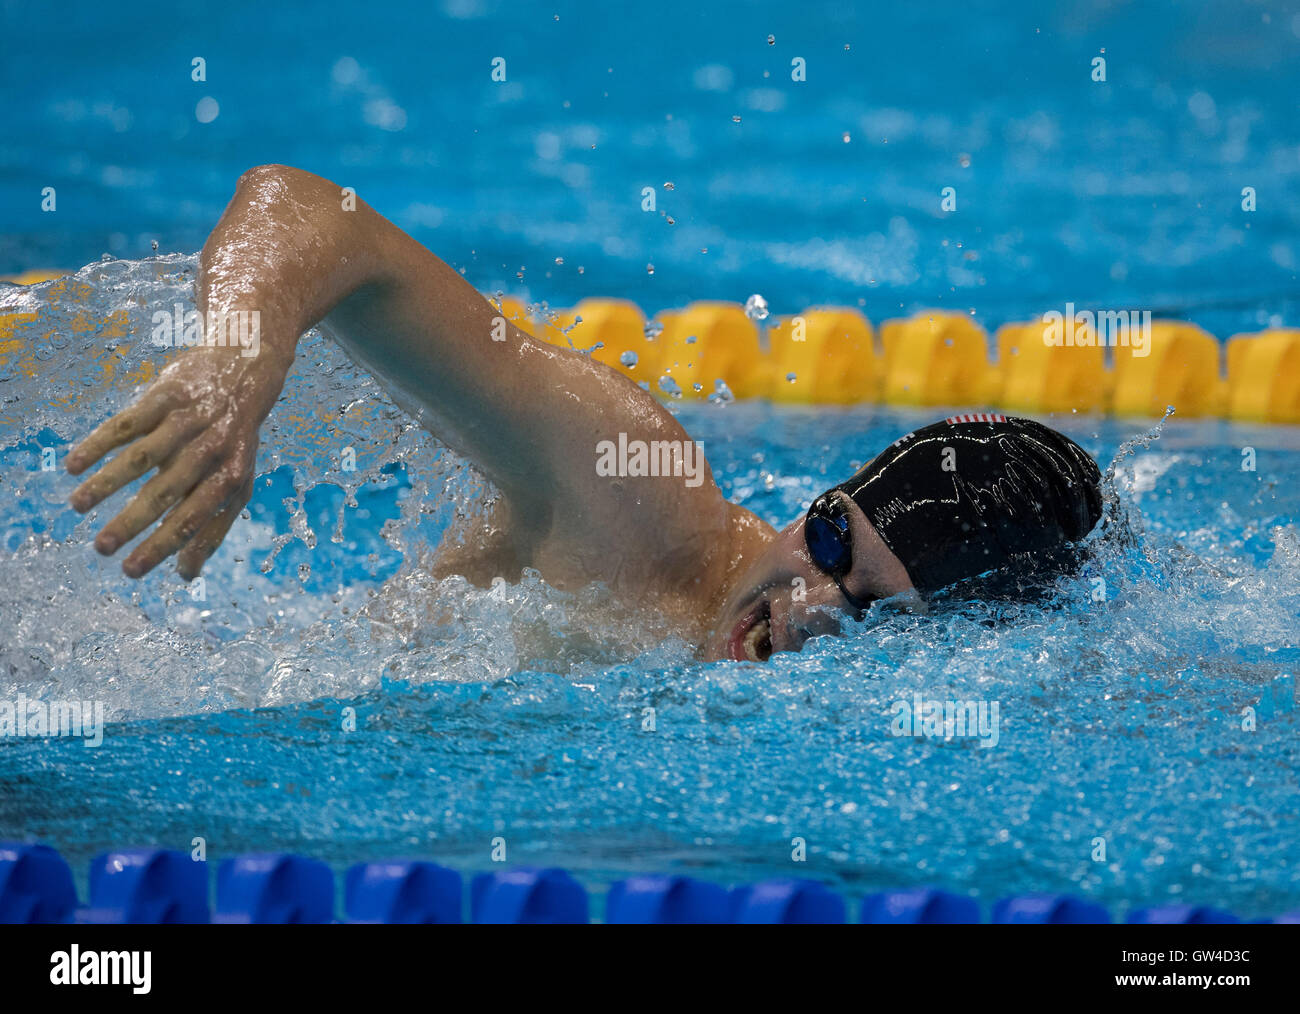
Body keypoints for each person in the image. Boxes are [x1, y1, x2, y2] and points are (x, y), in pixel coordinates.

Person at [63, 165, 1103, 663]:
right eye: (829, 536)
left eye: (868, 609)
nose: (808, 599)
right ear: (815, 501)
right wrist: (236, 363)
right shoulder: (634, 494)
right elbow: (302, 208)